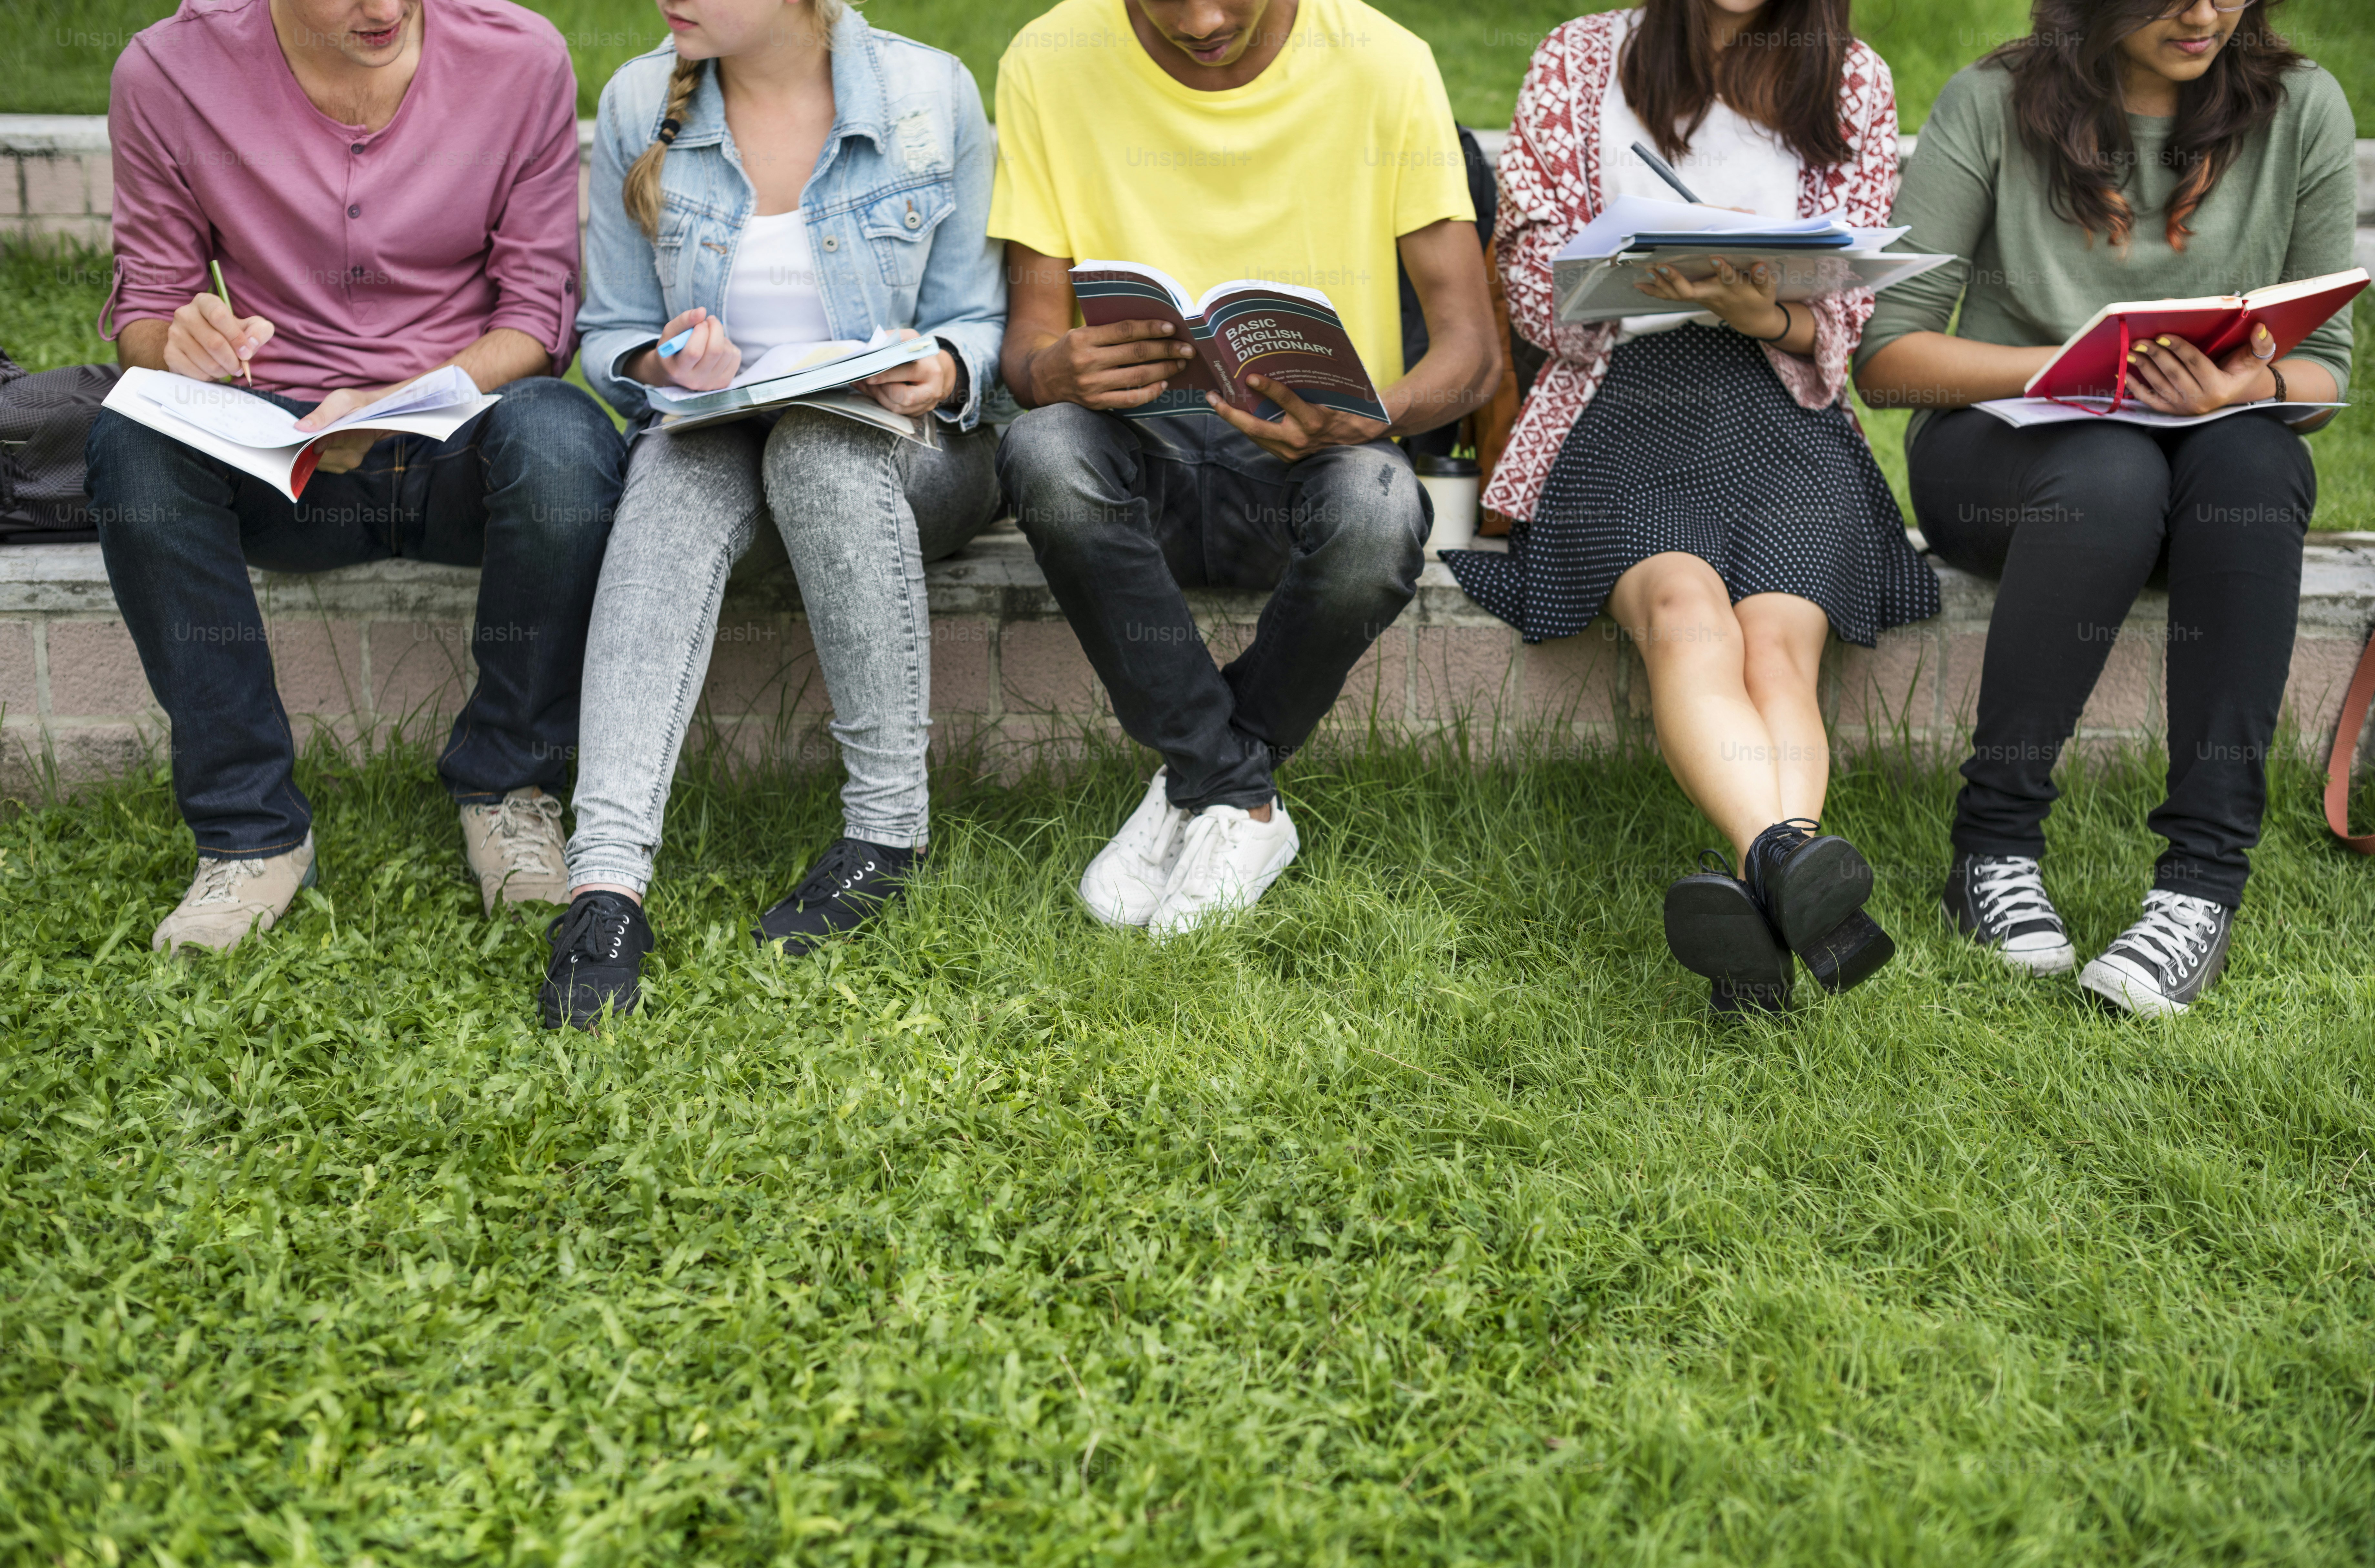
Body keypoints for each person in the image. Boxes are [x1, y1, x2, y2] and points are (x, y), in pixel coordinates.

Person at [87, 0, 626, 953]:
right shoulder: (167, 72)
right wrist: (180, 341)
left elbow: (539, 319)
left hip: (460, 436)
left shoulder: (520, 57)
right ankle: (250, 835)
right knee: (130, 443)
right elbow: (146, 314)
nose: (382, 7)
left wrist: (397, 401)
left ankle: (508, 785)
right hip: (282, 456)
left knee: (565, 441)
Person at [1855, 0, 2355, 1016]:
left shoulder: (2302, 107)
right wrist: (2083, 372)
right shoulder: (1991, 102)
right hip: (2010, 460)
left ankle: (2200, 886)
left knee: (2256, 465)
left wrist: (2240, 389)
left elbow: (2323, 375)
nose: (2206, 13)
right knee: (2108, 469)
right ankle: (1994, 849)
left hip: (2211, 469)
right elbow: (1891, 358)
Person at [1447, 0, 1937, 1014]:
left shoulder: (1850, 75)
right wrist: (1633, 282)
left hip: (1783, 410)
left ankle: (1766, 906)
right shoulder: (1581, 58)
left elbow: (1846, 310)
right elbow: (1531, 280)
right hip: (1620, 402)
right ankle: (1797, 883)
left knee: (1778, 640)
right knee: (1685, 612)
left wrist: (1767, 312)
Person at [989, 0, 1503, 936]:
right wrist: (1049, 368)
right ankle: (1234, 791)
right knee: (1043, 449)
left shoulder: (1385, 64)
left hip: (1309, 468)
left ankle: (1200, 783)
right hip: (1140, 475)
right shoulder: (1048, 59)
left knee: (1381, 509)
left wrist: (1372, 413)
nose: (1202, 20)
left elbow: (1473, 353)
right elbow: (1028, 348)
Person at [538, 0, 1005, 1028]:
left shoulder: (930, 98)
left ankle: (889, 832)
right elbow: (613, 331)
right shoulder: (636, 100)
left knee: (817, 453)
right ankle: (604, 894)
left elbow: (982, 316)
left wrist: (943, 365)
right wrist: (667, 362)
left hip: (910, 452)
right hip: (720, 427)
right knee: (668, 476)